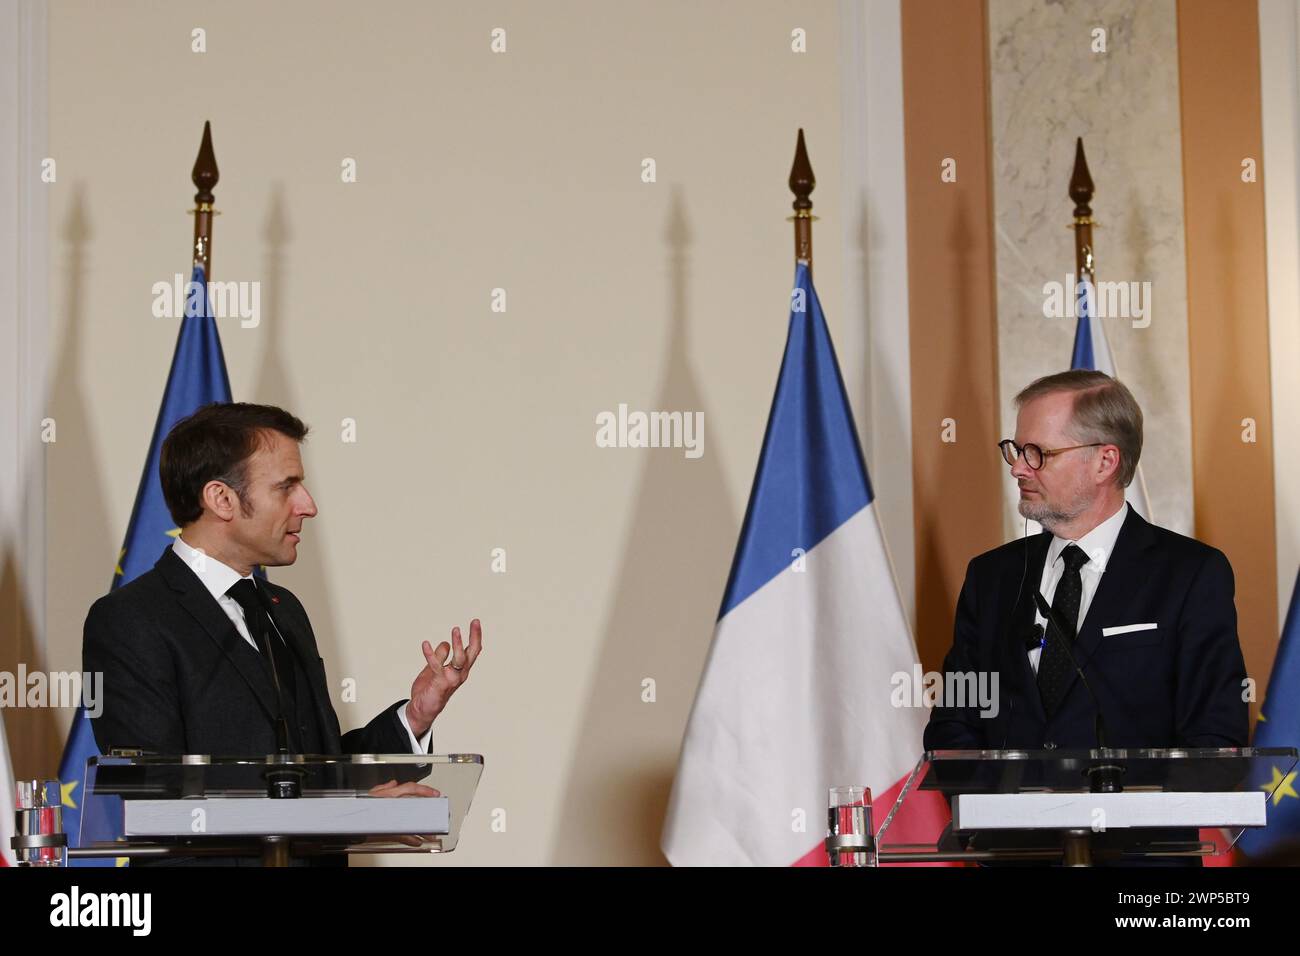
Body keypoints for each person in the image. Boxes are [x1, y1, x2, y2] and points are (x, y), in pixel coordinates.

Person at [83, 402, 482, 864]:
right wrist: (351, 815)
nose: (307, 505)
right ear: (221, 499)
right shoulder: (131, 620)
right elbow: (158, 804)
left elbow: (319, 774)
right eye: (286, 487)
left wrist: (414, 716)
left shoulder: (283, 609)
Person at [922, 371, 1248, 865]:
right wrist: (1012, 816)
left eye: (1039, 454)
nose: (1018, 469)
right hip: (1015, 859)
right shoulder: (992, 578)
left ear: (1105, 460)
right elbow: (954, 725)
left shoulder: (1189, 574)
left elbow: (1215, 738)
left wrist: (1120, 811)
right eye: (1015, 449)